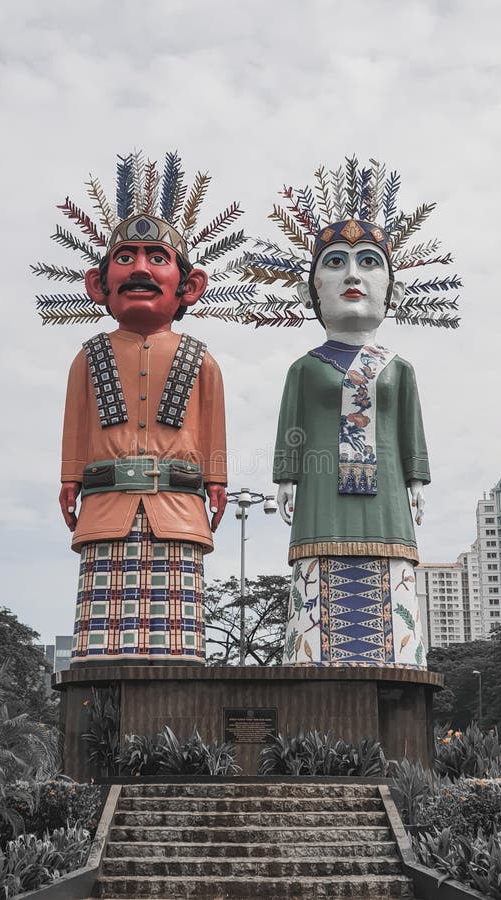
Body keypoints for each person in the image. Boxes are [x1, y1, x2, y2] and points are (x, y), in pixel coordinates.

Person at [33, 154, 247, 664]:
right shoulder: (89, 356)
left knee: (177, 647)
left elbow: (214, 429)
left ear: (189, 286)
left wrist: (217, 482)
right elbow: (76, 425)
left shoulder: (202, 360)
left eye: (157, 258)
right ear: (99, 283)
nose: (142, 270)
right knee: (99, 645)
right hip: (106, 505)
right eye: (125, 258)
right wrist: (69, 478)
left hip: (179, 507)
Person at [273, 217, 430, 667]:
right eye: (336, 263)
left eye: (369, 263)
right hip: (320, 493)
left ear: (392, 293)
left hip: (388, 498)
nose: (353, 276)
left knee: (394, 572)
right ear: (312, 292)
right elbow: (292, 426)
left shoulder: (399, 368)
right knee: (316, 571)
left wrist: (416, 479)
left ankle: (398, 660)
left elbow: (409, 428)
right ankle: (311, 661)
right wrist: (285, 476)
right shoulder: (304, 368)